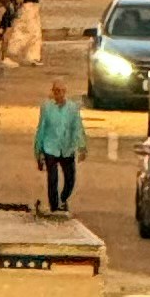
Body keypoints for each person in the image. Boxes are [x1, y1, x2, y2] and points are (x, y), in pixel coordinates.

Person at [33, 82, 87, 215]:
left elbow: (77, 127)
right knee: (52, 178)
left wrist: (82, 146)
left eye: (61, 91)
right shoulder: (47, 108)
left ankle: (63, 199)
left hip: (67, 147)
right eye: (56, 91)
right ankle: (54, 206)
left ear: (65, 92)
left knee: (70, 179)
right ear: (53, 92)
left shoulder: (72, 108)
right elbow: (41, 128)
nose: (59, 94)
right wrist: (38, 150)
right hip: (50, 146)